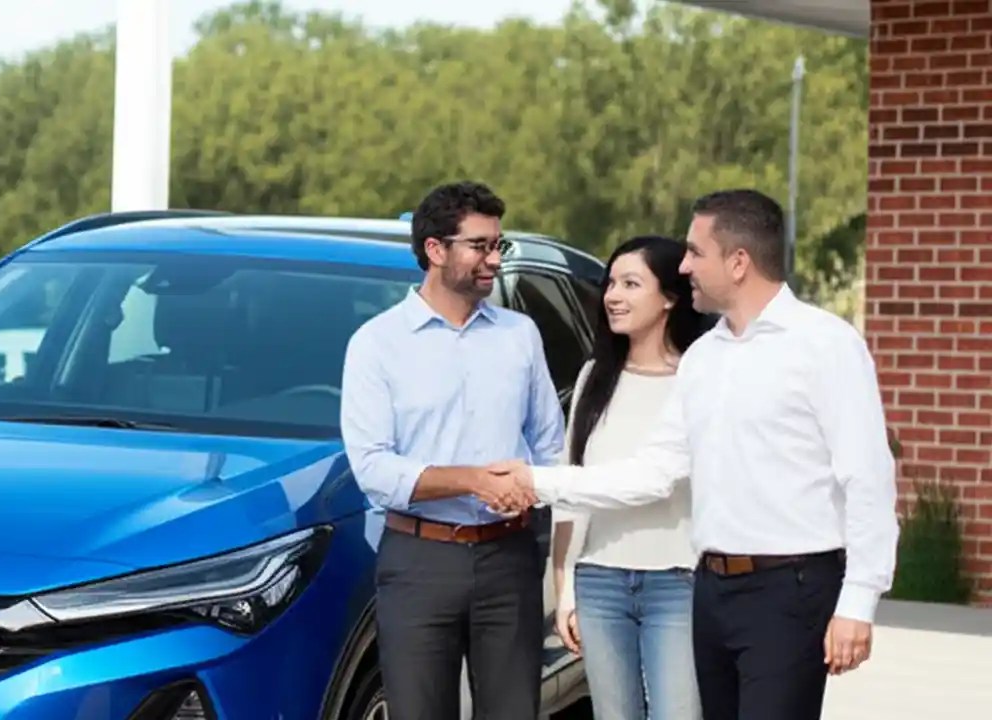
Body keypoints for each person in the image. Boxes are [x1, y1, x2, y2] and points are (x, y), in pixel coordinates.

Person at [496, 189, 898, 720]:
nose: (684, 266)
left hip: (791, 590)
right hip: (710, 591)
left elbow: (867, 479)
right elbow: (657, 470)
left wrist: (857, 602)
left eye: (694, 252)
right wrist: (537, 482)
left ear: (738, 262)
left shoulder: (825, 345)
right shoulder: (705, 357)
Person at [340, 180, 564, 720]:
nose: (494, 260)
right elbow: (373, 468)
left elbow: (550, 445)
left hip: (509, 558)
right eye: (480, 246)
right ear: (436, 251)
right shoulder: (377, 343)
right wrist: (473, 480)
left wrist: (528, 489)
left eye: (498, 246)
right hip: (419, 560)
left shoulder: (520, 335)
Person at [550, 235, 708, 720]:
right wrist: (565, 589)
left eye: (631, 283)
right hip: (599, 581)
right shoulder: (595, 376)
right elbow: (569, 489)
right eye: (611, 283)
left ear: (669, 298)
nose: (613, 295)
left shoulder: (700, 379)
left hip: (678, 583)